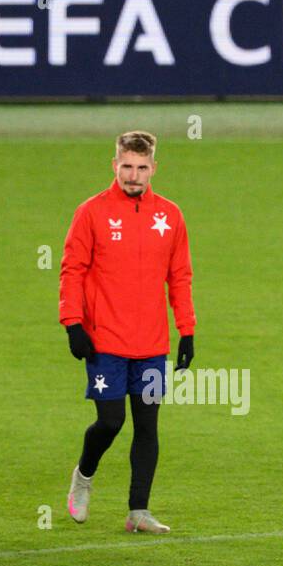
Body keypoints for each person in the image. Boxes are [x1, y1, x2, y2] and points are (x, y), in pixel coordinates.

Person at [58, 131, 196, 534]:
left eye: (141, 168)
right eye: (126, 167)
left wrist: (186, 330)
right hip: (106, 340)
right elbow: (72, 270)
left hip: (152, 342)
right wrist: (73, 324)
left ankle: (138, 511)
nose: (133, 175)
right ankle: (84, 475)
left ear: (153, 168)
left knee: (148, 424)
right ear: (114, 165)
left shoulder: (169, 215)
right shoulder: (92, 212)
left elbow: (180, 276)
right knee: (111, 420)